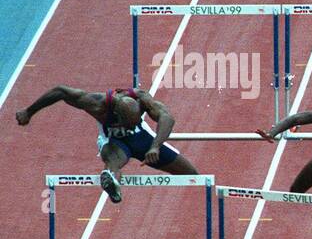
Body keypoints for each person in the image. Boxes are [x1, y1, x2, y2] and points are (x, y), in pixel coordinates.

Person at [15, 84, 200, 202]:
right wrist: (29, 111)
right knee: (113, 160)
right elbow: (60, 92)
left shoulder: (141, 98)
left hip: (141, 138)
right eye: (128, 123)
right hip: (114, 141)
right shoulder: (96, 103)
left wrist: (156, 146)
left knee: (192, 174)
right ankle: (111, 182)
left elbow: (167, 118)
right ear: (117, 115)